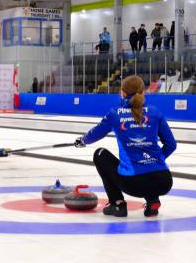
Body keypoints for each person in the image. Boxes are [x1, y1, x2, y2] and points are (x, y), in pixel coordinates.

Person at [75, 75, 176, 218]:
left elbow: (95, 134)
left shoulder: (115, 114)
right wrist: (156, 158)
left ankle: (117, 204)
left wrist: (82, 141)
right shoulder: (155, 112)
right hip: (164, 181)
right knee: (149, 170)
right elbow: (171, 144)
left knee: (100, 154)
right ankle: (153, 200)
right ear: (143, 92)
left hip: (134, 183)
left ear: (122, 93)